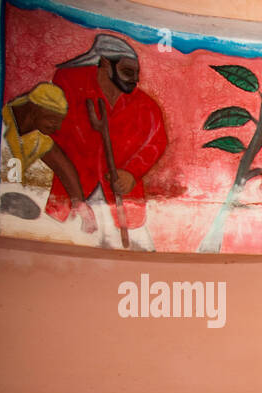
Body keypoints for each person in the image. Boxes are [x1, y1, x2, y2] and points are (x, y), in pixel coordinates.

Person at [45, 33, 167, 250]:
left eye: (136, 74)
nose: (134, 80)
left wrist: (132, 172)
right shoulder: (70, 86)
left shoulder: (146, 107)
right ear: (104, 64)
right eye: (127, 72)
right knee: (65, 251)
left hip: (124, 200)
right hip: (76, 192)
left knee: (139, 254)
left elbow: (157, 142)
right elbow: (52, 136)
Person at [0, 83, 96, 231]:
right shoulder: (1, 125)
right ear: (34, 110)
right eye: (52, 120)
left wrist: (80, 205)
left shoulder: (36, 138)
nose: (57, 128)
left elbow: (63, 165)